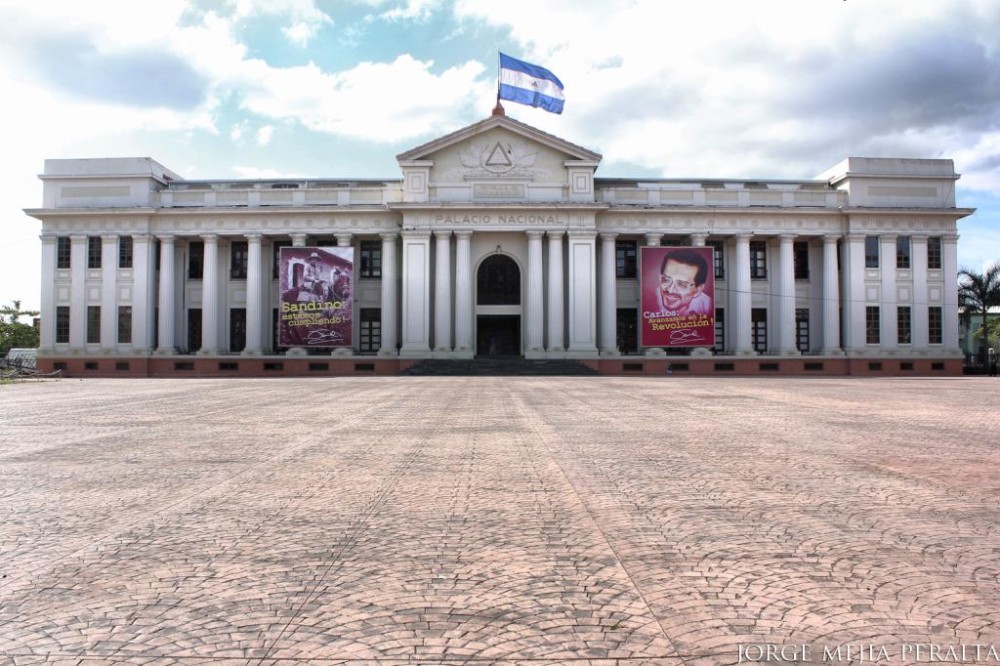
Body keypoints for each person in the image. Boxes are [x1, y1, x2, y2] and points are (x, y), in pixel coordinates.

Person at [655, 248, 712, 317]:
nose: (670, 290)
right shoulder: (651, 297)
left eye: (681, 284)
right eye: (666, 280)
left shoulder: (708, 306)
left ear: (697, 290)